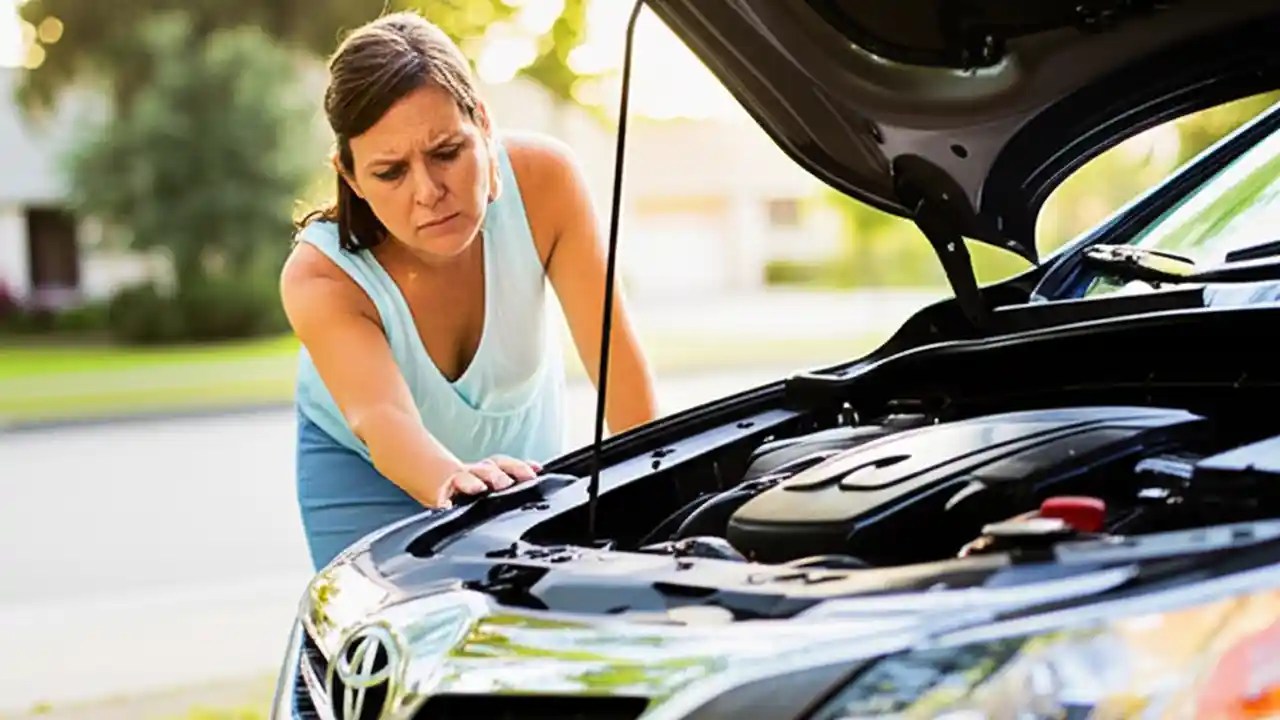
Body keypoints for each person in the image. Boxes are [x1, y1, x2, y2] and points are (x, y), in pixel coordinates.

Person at [281, 10, 659, 571]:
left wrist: (661, 483)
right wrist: (450, 481)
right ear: (352, 175)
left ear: (482, 124)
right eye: (390, 173)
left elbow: (617, 367)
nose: (429, 191)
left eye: (446, 152)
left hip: (521, 456)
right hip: (364, 472)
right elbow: (384, 419)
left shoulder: (546, 183)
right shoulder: (320, 277)